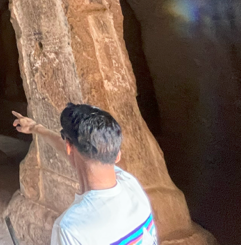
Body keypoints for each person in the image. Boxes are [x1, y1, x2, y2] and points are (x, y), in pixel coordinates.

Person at [12, 104, 157, 245]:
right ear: (117, 155)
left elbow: (77, 155)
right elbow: (78, 155)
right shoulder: (130, 184)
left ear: (69, 147)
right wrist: (35, 128)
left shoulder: (70, 229)